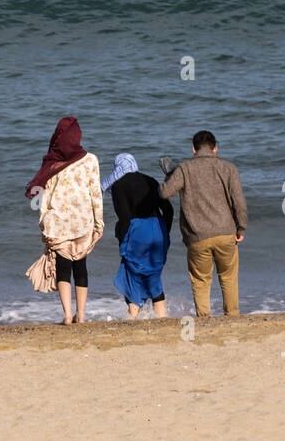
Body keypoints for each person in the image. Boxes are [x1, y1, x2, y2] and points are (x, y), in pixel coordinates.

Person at [157, 130, 248, 317]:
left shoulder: (184, 169)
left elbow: (164, 193)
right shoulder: (228, 168)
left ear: (193, 149)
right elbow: (239, 201)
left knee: (200, 281)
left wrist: (169, 177)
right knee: (228, 278)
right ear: (215, 148)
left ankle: (204, 320)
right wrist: (241, 227)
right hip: (225, 231)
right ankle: (232, 317)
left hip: (197, 235)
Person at [23, 116, 104, 324]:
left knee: (63, 268)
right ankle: (82, 315)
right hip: (83, 222)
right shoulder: (90, 160)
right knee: (81, 267)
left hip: (57, 224)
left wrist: (43, 223)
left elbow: (44, 197)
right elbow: (96, 193)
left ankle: (68, 315)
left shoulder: (53, 163)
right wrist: (99, 223)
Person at [105, 153, 174, 318]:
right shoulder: (150, 180)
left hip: (137, 231)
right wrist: (165, 231)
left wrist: (122, 240)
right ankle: (162, 317)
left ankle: (133, 317)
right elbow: (169, 210)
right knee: (154, 274)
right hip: (158, 229)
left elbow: (125, 217)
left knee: (132, 273)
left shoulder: (118, 185)